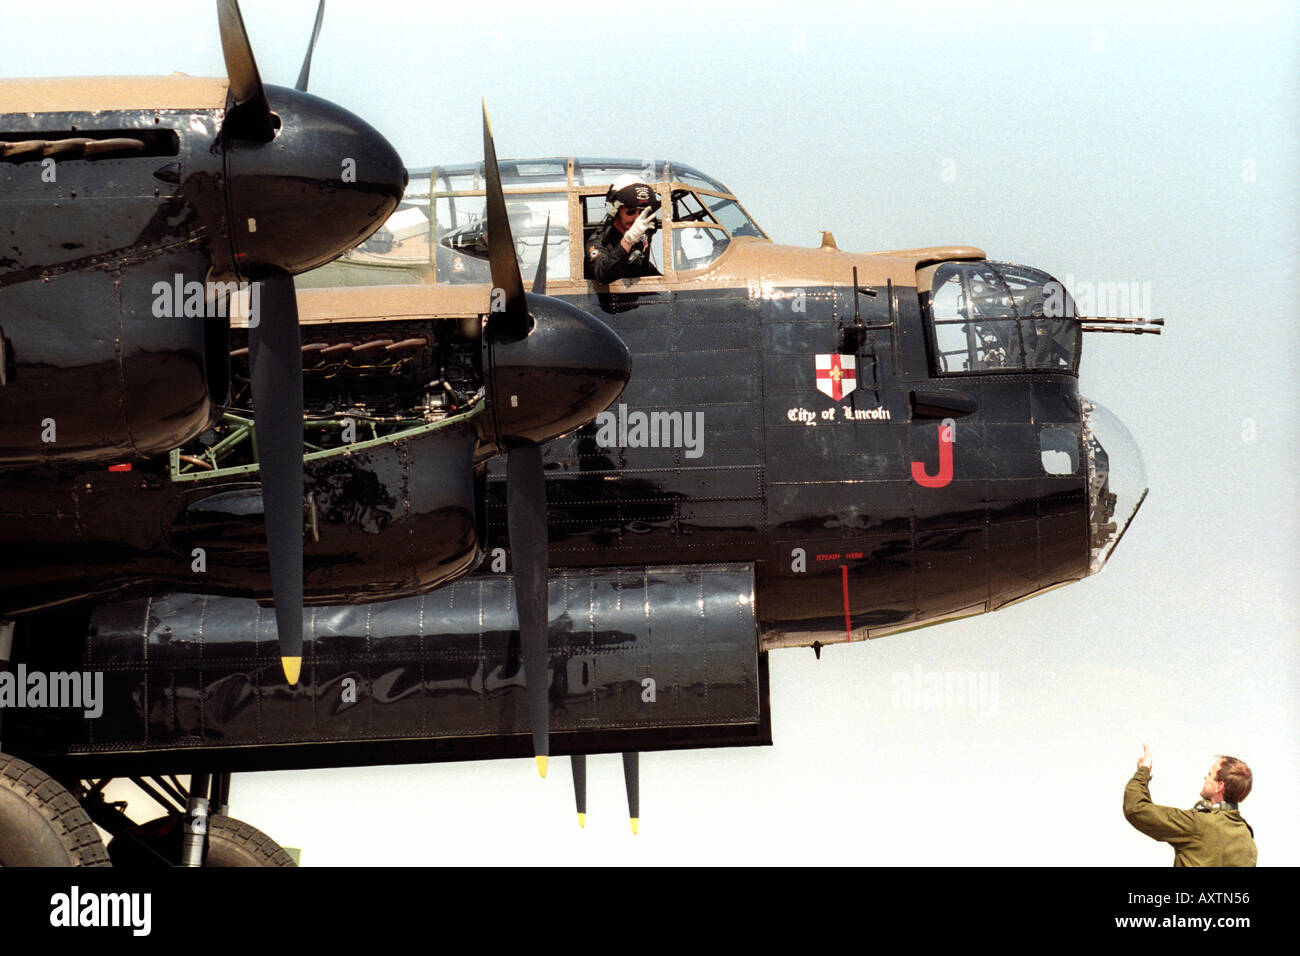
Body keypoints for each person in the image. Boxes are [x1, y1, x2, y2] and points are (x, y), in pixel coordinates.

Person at [1123, 745, 1256, 866]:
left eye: (1210, 775)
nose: (1205, 778)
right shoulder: (1247, 838)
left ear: (1219, 786)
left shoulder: (1199, 823)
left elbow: (1136, 809)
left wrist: (1143, 771)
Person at [585, 175, 660, 282]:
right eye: (630, 212)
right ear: (614, 211)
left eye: (642, 212)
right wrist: (627, 241)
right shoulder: (598, 242)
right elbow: (602, 274)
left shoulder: (645, 232)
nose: (637, 219)